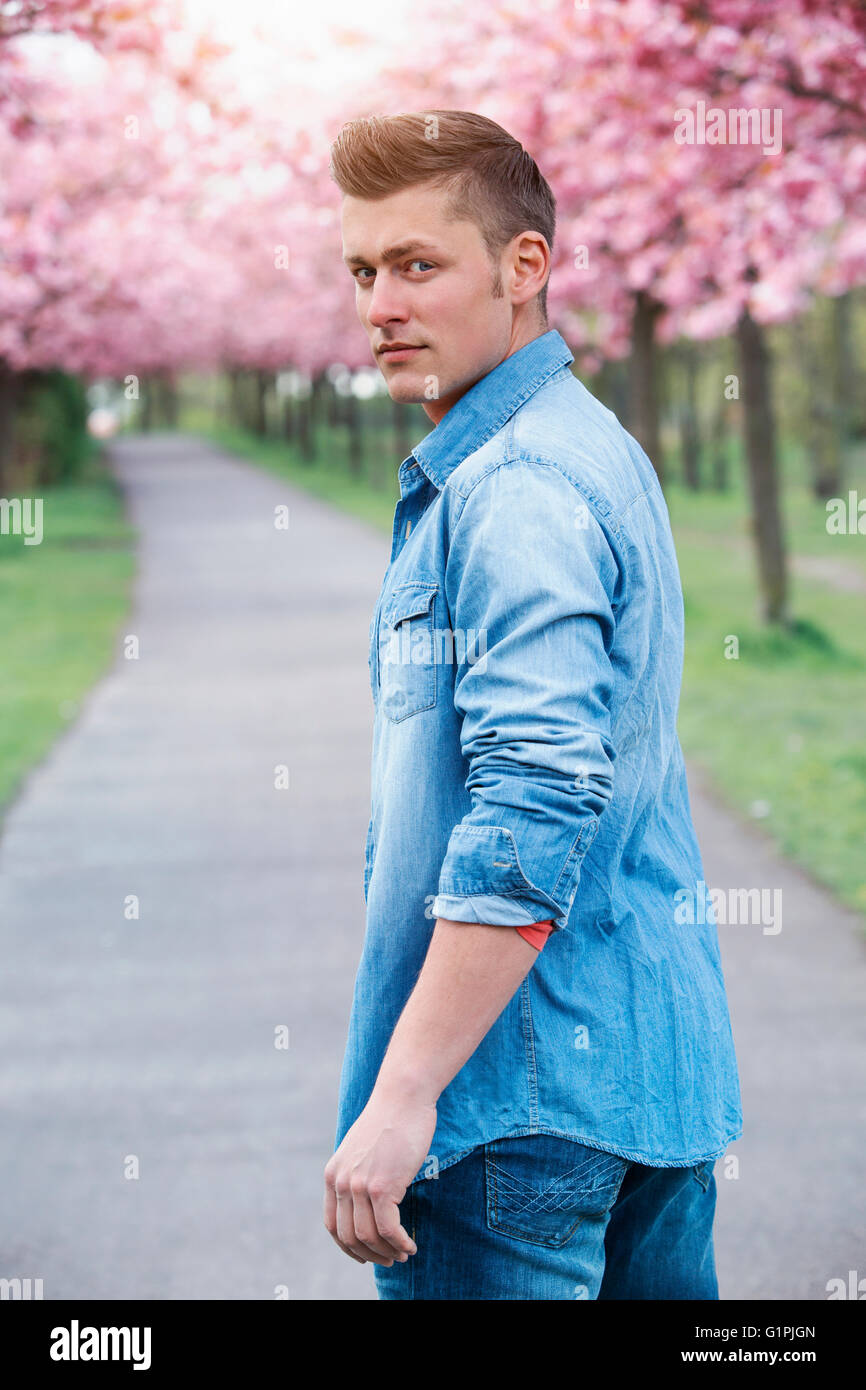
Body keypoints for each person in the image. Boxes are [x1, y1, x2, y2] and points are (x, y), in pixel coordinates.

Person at [323, 109, 742, 1300]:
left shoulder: (511, 486)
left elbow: (537, 794)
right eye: (362, 270)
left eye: (416, 265)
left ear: (522, 269)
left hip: (509, 1117)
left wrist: (403, 1093)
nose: (378, 307)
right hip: (651, 1086)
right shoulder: (589, 443)